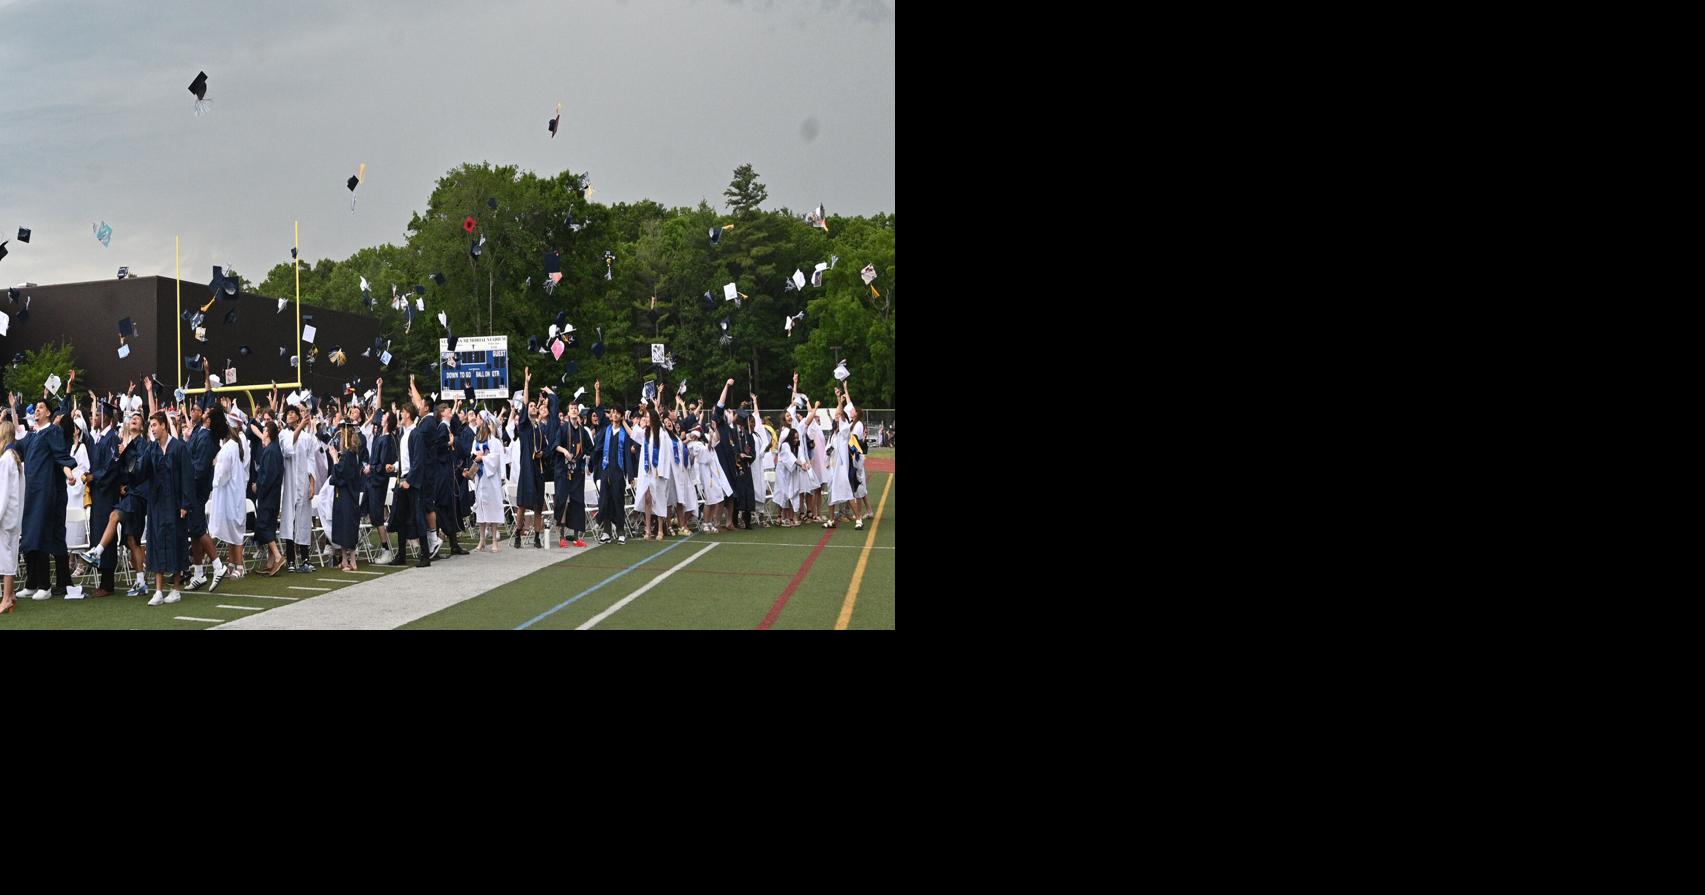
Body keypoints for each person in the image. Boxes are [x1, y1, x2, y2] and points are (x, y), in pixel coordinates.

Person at [18, 383, 81, 599]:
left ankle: (45, 586)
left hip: (47, 492)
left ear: (49, 414)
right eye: (36, 407)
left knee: (42, 535)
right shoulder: (32, 435)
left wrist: (69, 472)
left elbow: (61, 456)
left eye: (41, 407)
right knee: (29, 536)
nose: (37, 409)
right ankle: (32, 582)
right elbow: (16, 446)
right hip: (31, 493)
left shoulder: (53, 432)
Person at [135, 409, 194, 604]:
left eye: (154, 425)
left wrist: (185, 503)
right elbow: (141, 472)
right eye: (150, 426)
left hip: (175, 504)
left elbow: (187, 477)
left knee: (176, 543)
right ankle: (158, 591)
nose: (152, 429)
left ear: (164, 426)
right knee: (157, 543)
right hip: (157, 504)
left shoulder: (179, 448)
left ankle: (176, 589)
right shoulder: (151, 449)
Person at [208, 405, 250, 580]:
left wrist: (215, 465)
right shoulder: (232, 446)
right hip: (232, 493)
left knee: (235, 531)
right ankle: (232, 563)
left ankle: (239, 565)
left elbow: (222, 474)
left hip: (232, 494)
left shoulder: (229, 447)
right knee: (231, 529)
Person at [251, 419, 285, 575]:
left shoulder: (271, 451)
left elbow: (268, 476)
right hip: (273, 495)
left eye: (264, 430)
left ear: (269, 433)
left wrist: (258, 486)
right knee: (269, 525)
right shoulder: (273, 449)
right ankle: (271, 562)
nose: (262, 432)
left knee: (264, 525)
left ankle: (277, 556)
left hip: (269, 495)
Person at [326, 422, 362, 571]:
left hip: (347, 496)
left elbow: (339, 474)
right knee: (341, 525)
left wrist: (334, 458)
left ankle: (352, 561)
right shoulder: (349, 455)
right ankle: (344, 560)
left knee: (347, 527)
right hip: (343, 495)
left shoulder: (348, 456)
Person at [0, 419, 25, 615]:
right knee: (10, 553)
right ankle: (11, 594)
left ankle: (7, 598)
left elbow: (3, 492)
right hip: (14, 515)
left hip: (6, 515)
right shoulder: (15, 458)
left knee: (6, 556)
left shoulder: (5, 460)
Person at [470, 416, 504, 551]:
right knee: (481, 508)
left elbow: (495, 459)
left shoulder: (494, 441)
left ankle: (494, 540)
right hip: (480, 477)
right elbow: (473, 456)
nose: (476, 420)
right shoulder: (476, 440)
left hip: (490, 478)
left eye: (479, 418)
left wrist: (482, 457)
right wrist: (471, 469)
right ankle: (482, 540)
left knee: (492, 507)